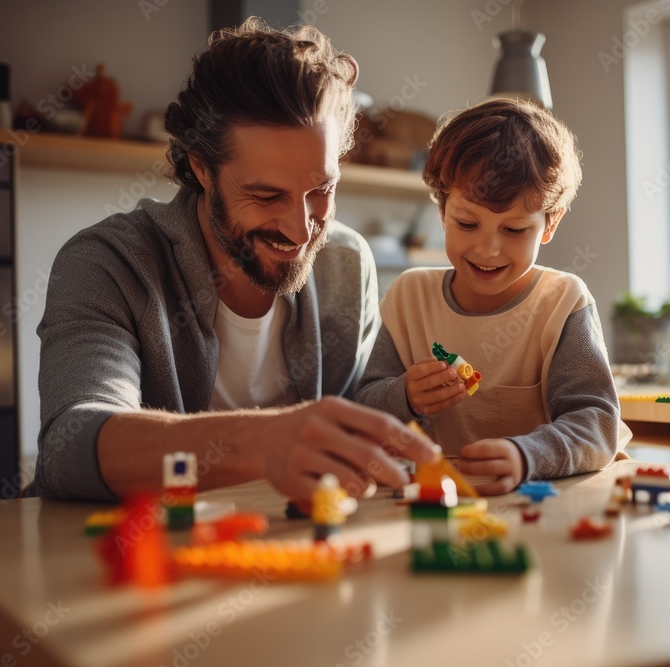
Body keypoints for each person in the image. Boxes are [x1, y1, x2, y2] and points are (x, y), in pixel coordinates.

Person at [35, 18, 440, 503]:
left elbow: (358, 421)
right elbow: (69, 445)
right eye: (266, 196)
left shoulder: (346, 264)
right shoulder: (108, 264)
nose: (301, 230)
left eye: (322, 189)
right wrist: (261, 442)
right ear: (202, 169)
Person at [355, 98, 630, 495]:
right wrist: (404, 396)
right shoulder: (408, 296)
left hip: (544, 502)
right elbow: (364, 406)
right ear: (442, 211)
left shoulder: (563, 302)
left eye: (514, 230)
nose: (487, 250)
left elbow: (597, 423)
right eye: (467, 223)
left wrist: (528, 455)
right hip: (447, 501)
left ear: (550, 224)